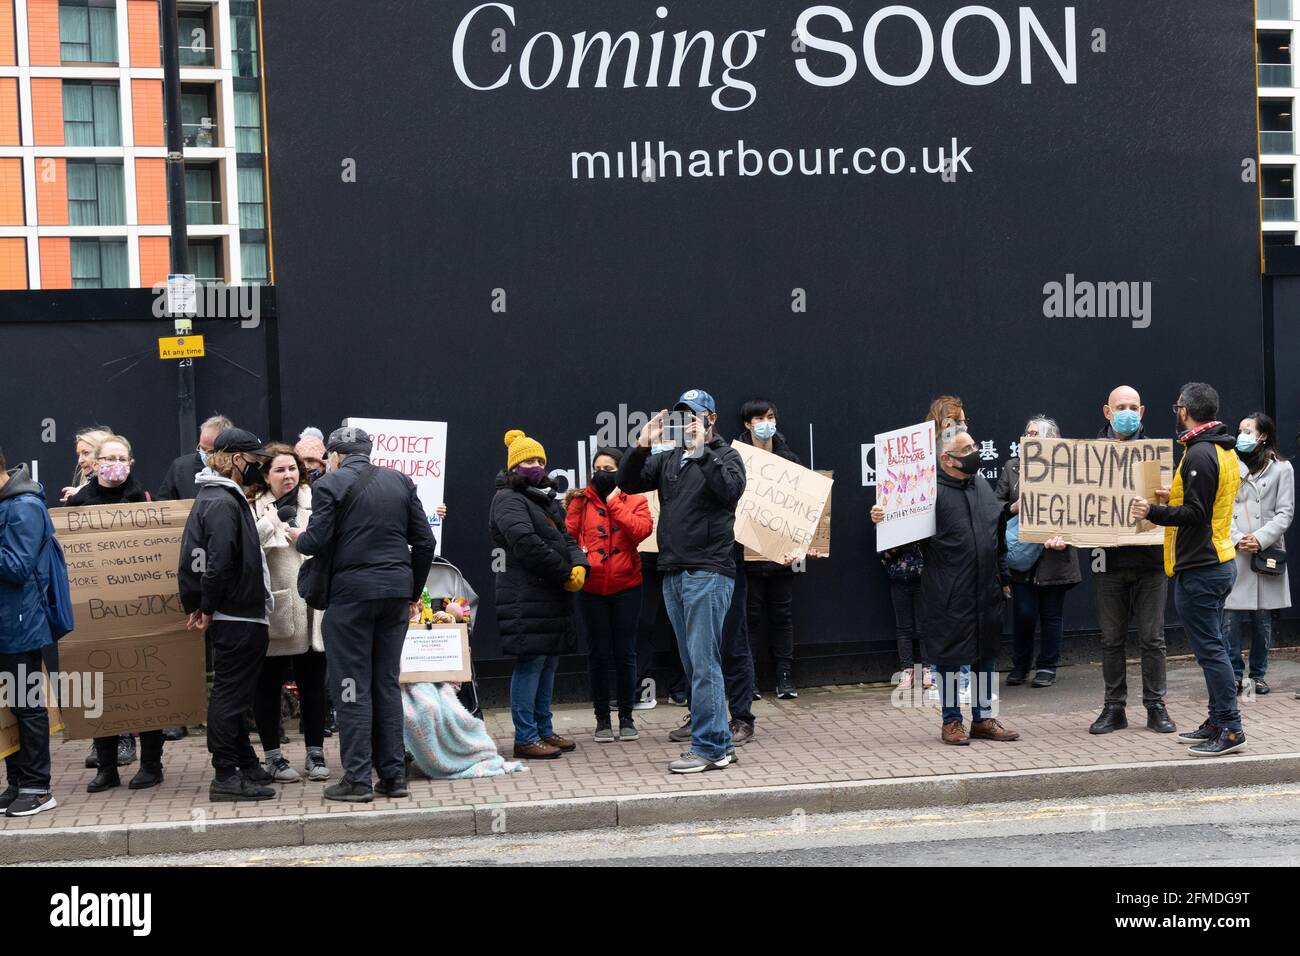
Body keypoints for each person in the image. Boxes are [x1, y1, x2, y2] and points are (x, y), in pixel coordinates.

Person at [296, 426, 435, 800]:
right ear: (368, 452)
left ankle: (356, 779)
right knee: (386, 684)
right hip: (394, 595)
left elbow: (316, 540)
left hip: (351, 598)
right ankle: (393, 777)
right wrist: (410, 591)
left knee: (351, 687)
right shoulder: (401, 482)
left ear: (336, 456)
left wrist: (296, 535)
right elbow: (425, 541)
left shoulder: (329, 485)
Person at [620, 389, 747, 774]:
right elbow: (627, 483)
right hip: (673, 571)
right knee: (694, 663)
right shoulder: (669, 458)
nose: (687, 422)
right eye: (682, 415)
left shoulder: (726, 455)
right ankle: (721, 745)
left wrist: (702, 450)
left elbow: (730, 491)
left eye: (695, 415)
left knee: (704, 663)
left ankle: (708, 746)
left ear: (712, 418)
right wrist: (642, 446)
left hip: (709, 572)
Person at [873, 427, 1020, 746]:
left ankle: (982, 719)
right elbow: (897, 535)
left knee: (986, 656)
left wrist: (1004, 578)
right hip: (948, 592)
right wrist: (884, 517)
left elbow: (997, 540)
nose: (975, 452)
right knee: (951, 657)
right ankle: (951, 721)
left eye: (974, 445)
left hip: (987, 589)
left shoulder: (981, 485)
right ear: (946, 459)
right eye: (966, 449)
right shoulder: (926, 493)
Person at [1132, 382, 1244, 756]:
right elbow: (1206, 502)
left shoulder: (1198, 454)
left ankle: (1229, 728)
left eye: (1177, 406)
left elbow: (1196, 514)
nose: (1176, 411)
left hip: (1202, 566)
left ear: (1185, 410)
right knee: (1214, 647)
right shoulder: (1221, 448)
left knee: (1211, 651)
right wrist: (1171, 496)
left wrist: (1154, 511)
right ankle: (1216, 719)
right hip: (1218, 560)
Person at [178, 427, 278, 801]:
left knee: (234, 694)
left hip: (235, 611)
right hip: (237, 614)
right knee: (229, 696)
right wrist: (205, 605)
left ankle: (245, 764)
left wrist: (206, 604)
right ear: (237, 460)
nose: (260, 470)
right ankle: (225, 775)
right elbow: (218, 562)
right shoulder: (221, 501)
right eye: (255, 462)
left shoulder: (220, 498)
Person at [68, 435, 167, 790]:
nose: (116, 463)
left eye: (122, 457)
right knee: (102, 688)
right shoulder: (78, 503)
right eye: (110, 457)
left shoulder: (143, 499)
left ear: (131, 462)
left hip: (139, 610)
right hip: (97, 613)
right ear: (94, 463)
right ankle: (106, 766)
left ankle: (151, 764)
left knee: (146, 685)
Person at [491, 430, 587, 759]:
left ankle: (544, 729)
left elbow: (568, 539)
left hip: (552, 596)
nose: (535, 465)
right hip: (524, 596)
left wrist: (580, 566)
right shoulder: (507, 499)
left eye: (540, 460)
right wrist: (564, 573)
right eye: (528, 460)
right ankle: (525, 736)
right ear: (514, 466)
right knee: (530, 664)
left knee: (548, 664)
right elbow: (527, 545)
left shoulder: (545, 499)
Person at [1087, 387, 1175, 734]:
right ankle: (1114, 708)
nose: (1127, 412)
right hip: (1107, 561)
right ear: (1107, 412)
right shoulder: (1087, 456)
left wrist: (1167, 500)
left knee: (1153, 639)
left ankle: (1156, 708)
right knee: (1111, 639)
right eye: (1120, 407)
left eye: (1133, 407)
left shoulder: (1158, 456)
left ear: (1143, 410)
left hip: (1150, 561)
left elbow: (1174, 509)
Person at [249, 443, 330, 782]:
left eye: (293, 469)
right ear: (266, 475)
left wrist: (306, 537)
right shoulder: (253, 504)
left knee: (315, 685)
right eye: (280, 470)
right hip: (280, 608)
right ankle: (274, 756)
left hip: (314, 608)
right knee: (268, 685)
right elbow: (246, 545)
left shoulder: (318, 499)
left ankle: (316, 752)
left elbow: (331, 539)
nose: (288, 475)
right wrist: (270, 523)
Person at [566, 447, 652, 743]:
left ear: (620, 471)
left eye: (609, 468)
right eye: (598, 468)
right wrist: (581, 556)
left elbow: (641, 531)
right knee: (598, 654)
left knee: (626, 653)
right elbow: (567, 536)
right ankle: (602, 719)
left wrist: (614, 501)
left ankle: (626, 716)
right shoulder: (579, 501)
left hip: (627, 586)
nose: (602, 472)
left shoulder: (636, 499)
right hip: (591, 589)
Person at [736, 398, 817, 699]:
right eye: (758, 418)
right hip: (748, 556)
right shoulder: (735, 458)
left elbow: (805, 506)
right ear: (747, 424)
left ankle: (785, 676)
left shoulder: (789, 459)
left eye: (769, 417)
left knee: (782, 615)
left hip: (783, 556)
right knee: (751, 616)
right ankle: (751, 678)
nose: (765, 423)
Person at [995, 416, 1080, 689]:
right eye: (1027, 432)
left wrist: (1065, 537)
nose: (1029, 437)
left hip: (1054, 555)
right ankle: (1020, 665)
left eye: (1036, 433)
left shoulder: (1066, 469)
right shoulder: (1012, 468)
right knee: (1024, 613)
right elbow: (995, 506)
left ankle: (1047, 666)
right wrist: (1013, 507)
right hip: (1022, 555)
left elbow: (1079, 510)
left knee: (1051, 614)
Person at [0, 448, 58, 817]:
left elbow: (18, 566)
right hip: (8, 624)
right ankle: (18, 782)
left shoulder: (24, 506)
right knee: (12, 705)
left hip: (19, 625)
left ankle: (38, 787)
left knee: (27, 705)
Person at [1225, 412, 1293, 696]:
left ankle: (1259, 674)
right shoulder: (1228, 465)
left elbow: (1285, 511)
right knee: (1229, 617)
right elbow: (1221, 510)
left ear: (1263, 435)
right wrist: (1239, 538)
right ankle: (1233, 674)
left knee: (1262, 618)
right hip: (1236, 550)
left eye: (1249, 431)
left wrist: (1261, 539)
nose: (1243, 435)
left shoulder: (1282, 469)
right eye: (1240, 430)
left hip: (1265, 552)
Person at [158, 413, 232, 501]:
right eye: (202, 448)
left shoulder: (238, 469)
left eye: (211, 451)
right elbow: (162, 504)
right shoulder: (180, 468)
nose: (205, 454)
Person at [59, 426, 112, 503]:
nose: (80, 461)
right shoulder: (80, 491)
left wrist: (82, 496)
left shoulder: (127, 488)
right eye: (79, 455)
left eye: (86, 453)